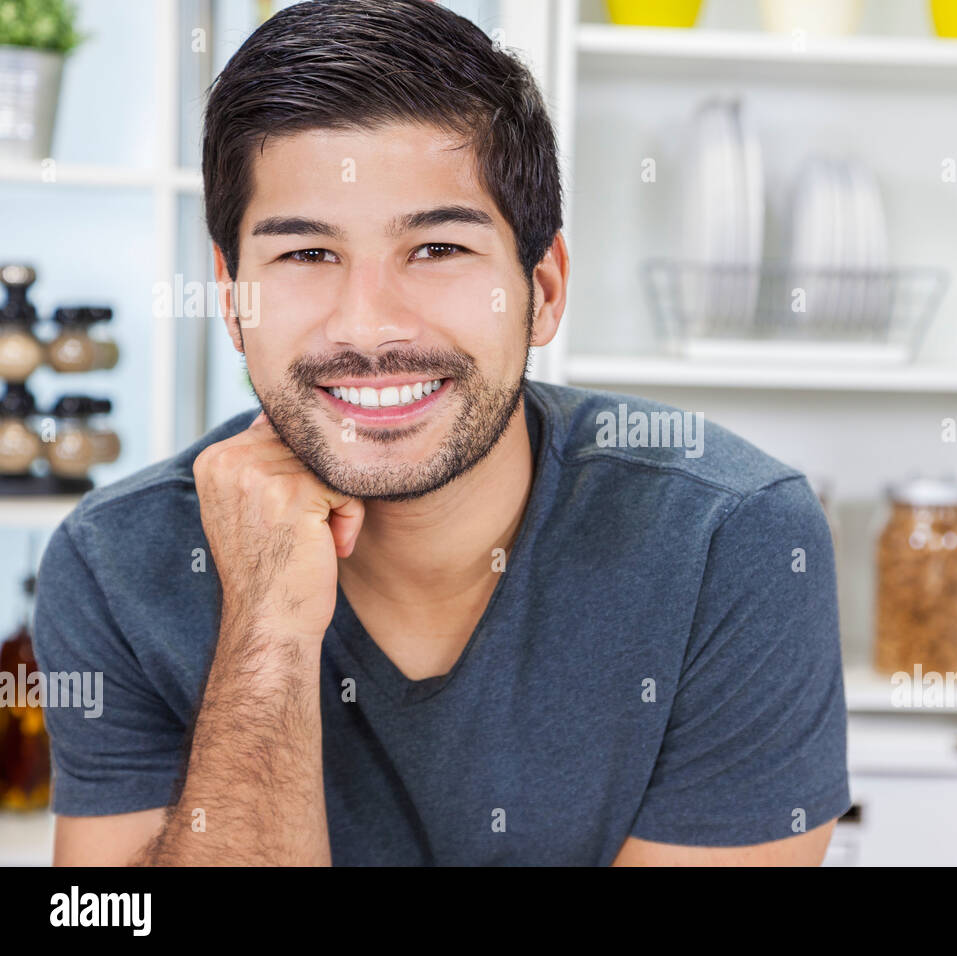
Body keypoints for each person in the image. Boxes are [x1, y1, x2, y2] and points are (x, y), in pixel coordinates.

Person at [33, 0, 850, 866]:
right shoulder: (112, 562)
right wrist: (266, 629)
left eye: (436, 249)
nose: (371, 327)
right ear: (232, 296)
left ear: (545, 284)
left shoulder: (733, 538)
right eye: (307, 255)